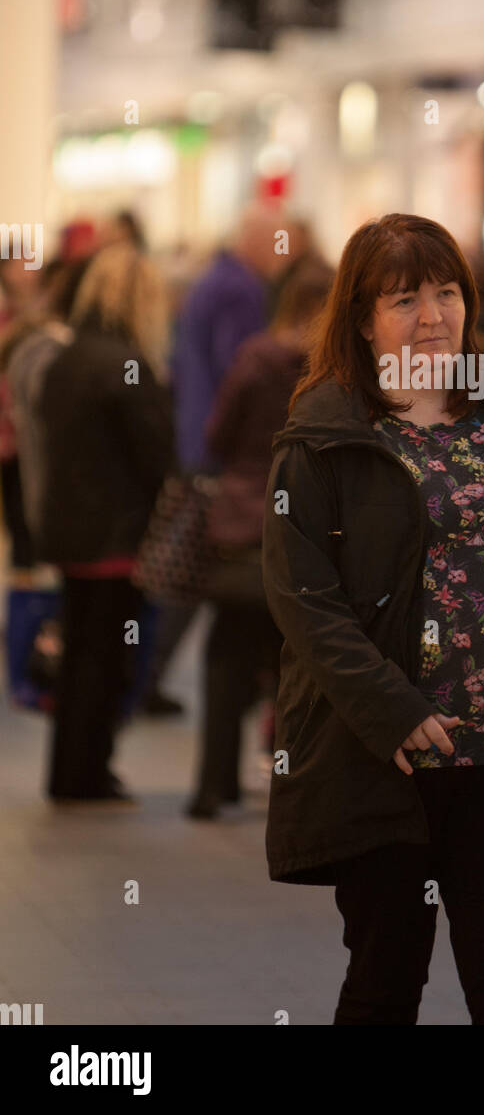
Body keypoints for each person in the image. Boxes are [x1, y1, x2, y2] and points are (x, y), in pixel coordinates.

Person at [262, 212, 484, 1025]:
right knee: (385, 982)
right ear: (361, 318)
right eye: (404, 299)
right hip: (385, 756)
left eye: (447, 292)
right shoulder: (324, 435)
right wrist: (392, 709)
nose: (433, 317)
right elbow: (302, 599)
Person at [186, 259, 335, 819]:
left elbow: (217, 435)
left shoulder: (255, 355)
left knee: (225, 658)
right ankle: (295, 791)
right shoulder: (336, 372)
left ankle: (212, 786)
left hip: (243, 527)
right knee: (298, 669)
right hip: (307, 533)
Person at [37, 244, 174, 805]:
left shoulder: (68, 356)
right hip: (117, 534)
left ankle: (70, 772)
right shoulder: (129, 363)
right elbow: (156, 454)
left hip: (70, 528)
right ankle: (89, 772)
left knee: (79, 656)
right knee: (108, 656)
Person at [143, 199, 290, 716]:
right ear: (256, 241)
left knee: (187, 569)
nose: (281, 254)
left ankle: (148, 672)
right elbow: (240, 367)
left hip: (198, 441)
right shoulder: (240, 288)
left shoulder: (213, 281)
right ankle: (149, 672)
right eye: (278, 242)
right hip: (215, 450)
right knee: (196, 572)